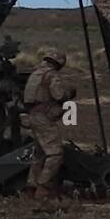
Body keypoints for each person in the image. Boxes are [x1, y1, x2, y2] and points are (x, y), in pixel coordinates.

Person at [22, 48, 75, 199]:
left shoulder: (35, 74)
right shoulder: (51, 75)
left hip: (33, 116)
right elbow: (58, 95)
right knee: (55, 153)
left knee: (40, 154)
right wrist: (69, 93)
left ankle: (31, 187)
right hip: (43, 118)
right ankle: (44, 187)